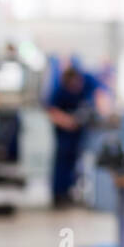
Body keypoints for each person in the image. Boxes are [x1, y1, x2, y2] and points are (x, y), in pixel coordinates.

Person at [46, 64, 100, 208]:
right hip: (64, 134)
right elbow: (52, 111)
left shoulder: (88, 81)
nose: (75, 88)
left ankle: (70, 192)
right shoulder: (58, 91)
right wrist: (69, 122)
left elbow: (101, 94)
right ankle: (59, 195)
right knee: (62, 162)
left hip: (80, 133)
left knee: (76, 163)